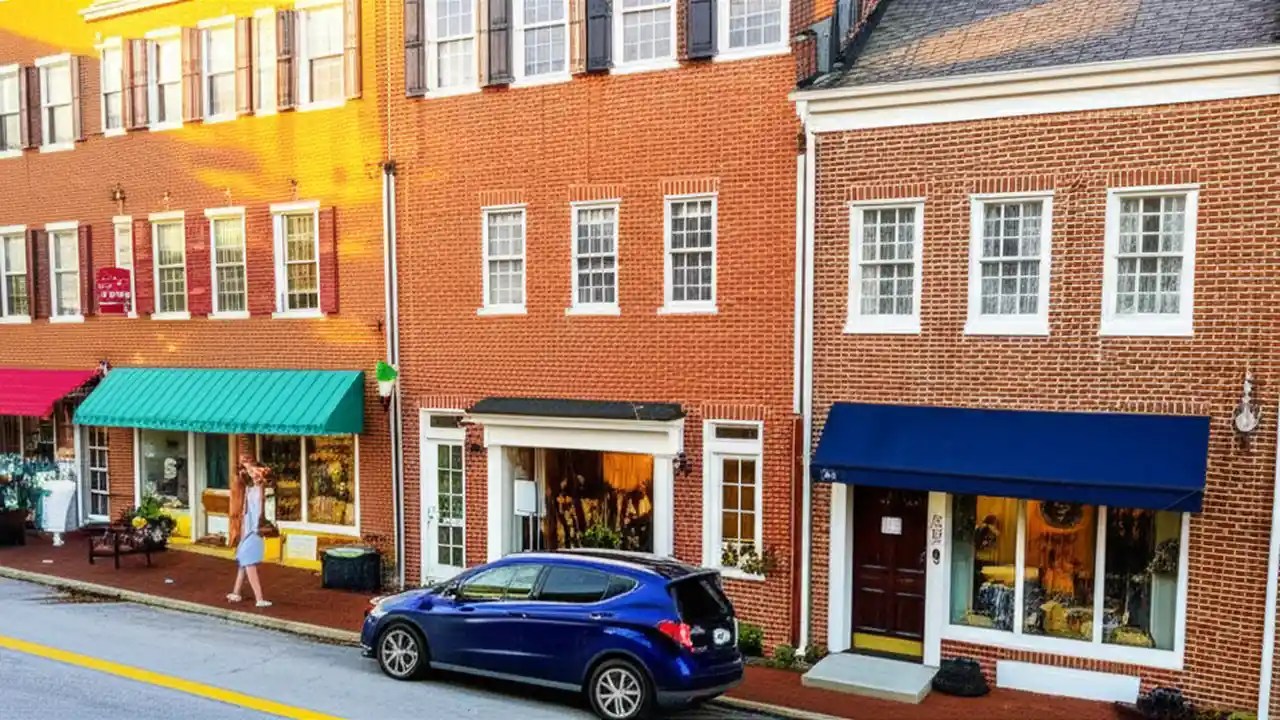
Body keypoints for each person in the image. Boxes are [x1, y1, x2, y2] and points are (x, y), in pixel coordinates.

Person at [227, 454, 271, 608]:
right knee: (246, 564)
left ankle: (244, 594)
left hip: (251, 531)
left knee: (246, 564)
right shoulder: (252, 490)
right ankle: (249, 595)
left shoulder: (254, 491)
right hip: (251, 532)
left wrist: (249, 467)